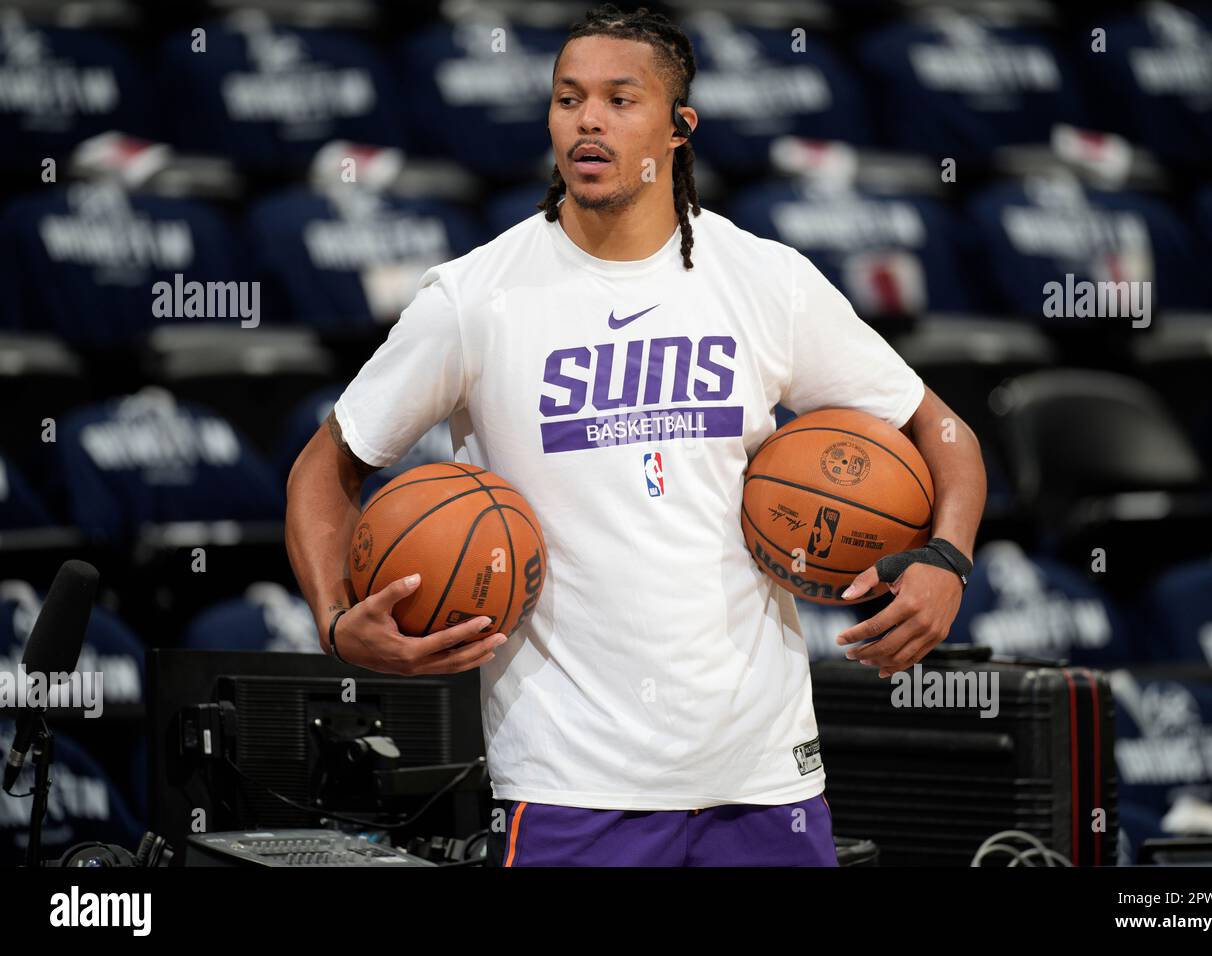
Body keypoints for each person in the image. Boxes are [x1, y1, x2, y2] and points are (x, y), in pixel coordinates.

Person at [285, 3, 986, 866]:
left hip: (765, 774)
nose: (588, 118)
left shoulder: (766, 281)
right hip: (570, 780)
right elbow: (323, 471)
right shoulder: (475, 298)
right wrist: (333, 622)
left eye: (621, 99)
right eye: (568, 97)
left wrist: (947, 557)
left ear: (678, 127)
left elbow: (939, 428)